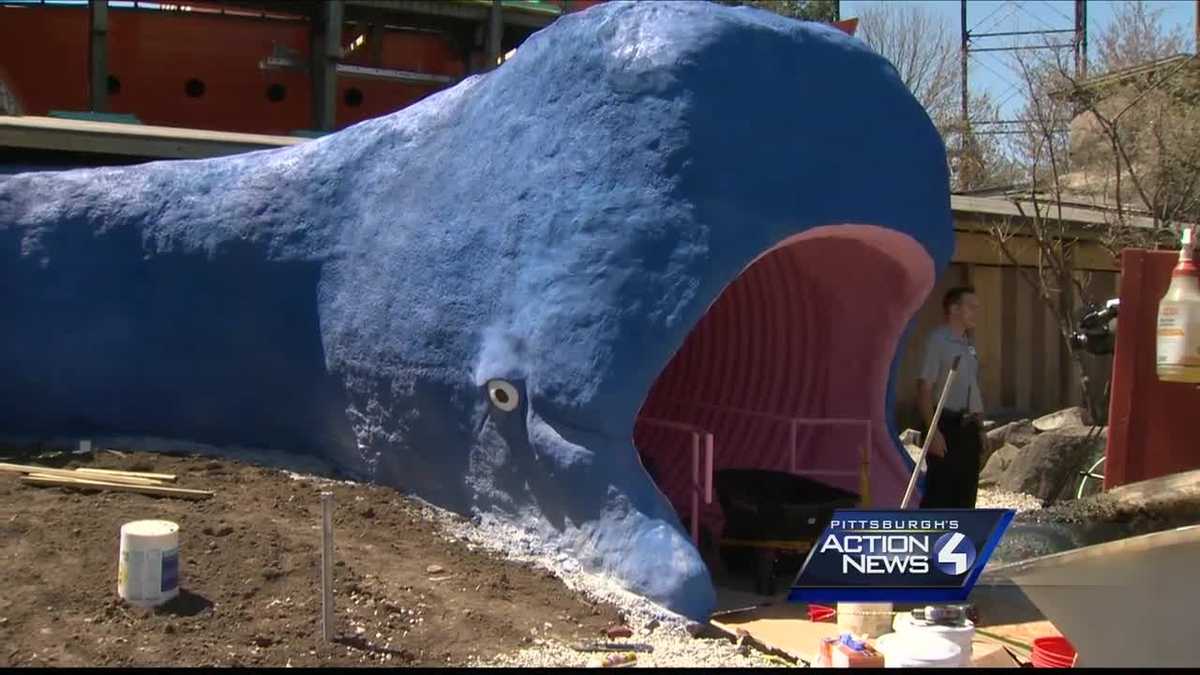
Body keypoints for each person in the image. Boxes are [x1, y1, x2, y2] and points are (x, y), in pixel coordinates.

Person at [917, 286, 986, 509]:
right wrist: (932, 432)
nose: (976, 312)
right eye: (971, 307)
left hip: (968, 428)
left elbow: (973, 387)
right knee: (941, 496)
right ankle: (929, 542)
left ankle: (962, 543)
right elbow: (924, 389)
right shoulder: (937, 341)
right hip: (945, 426)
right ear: (954, 309)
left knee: (966, 498)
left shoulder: (969, 344)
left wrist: (980, 427)